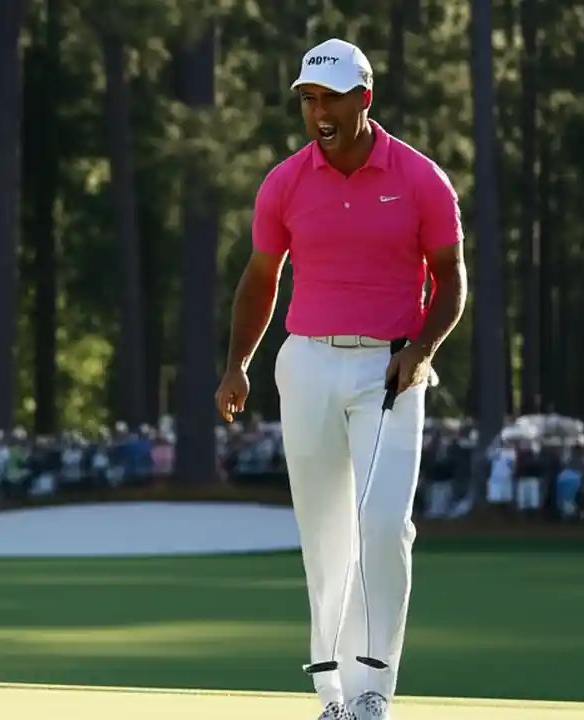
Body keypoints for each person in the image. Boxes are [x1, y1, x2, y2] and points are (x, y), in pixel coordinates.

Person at [213, 38, 467, 720]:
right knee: (324, 534)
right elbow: (260, 279)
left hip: (388, 368)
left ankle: (373, 690)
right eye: (307, 99)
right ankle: (332, 695)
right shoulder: (285, 182)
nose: (318, 111)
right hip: (308, 363)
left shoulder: (419, 178)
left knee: (384, 526)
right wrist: (238, 363)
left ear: (364, 98)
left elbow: (450, 279)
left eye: (330, 98)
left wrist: (420, 350)